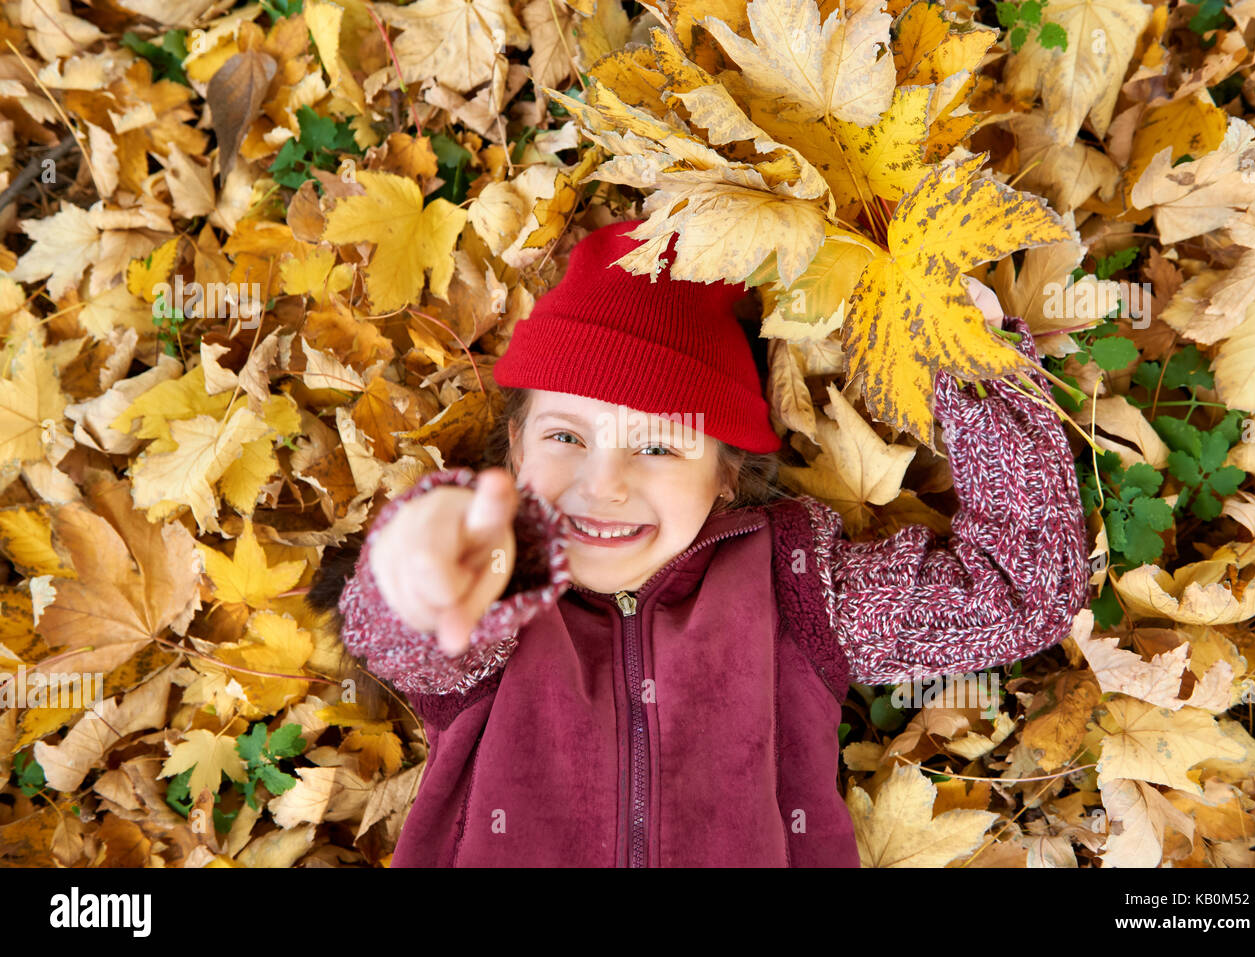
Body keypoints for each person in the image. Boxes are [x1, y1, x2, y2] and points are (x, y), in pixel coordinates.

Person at [314, 219, 1090, 866]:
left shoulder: (796, 590)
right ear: (516, 450)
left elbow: (1021, 593)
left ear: (727, 473)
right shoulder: (496, 599)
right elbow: (399, 634)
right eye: (565, 435)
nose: (604, 483)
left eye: (658, 446)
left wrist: (969, 355)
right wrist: (416, 568)